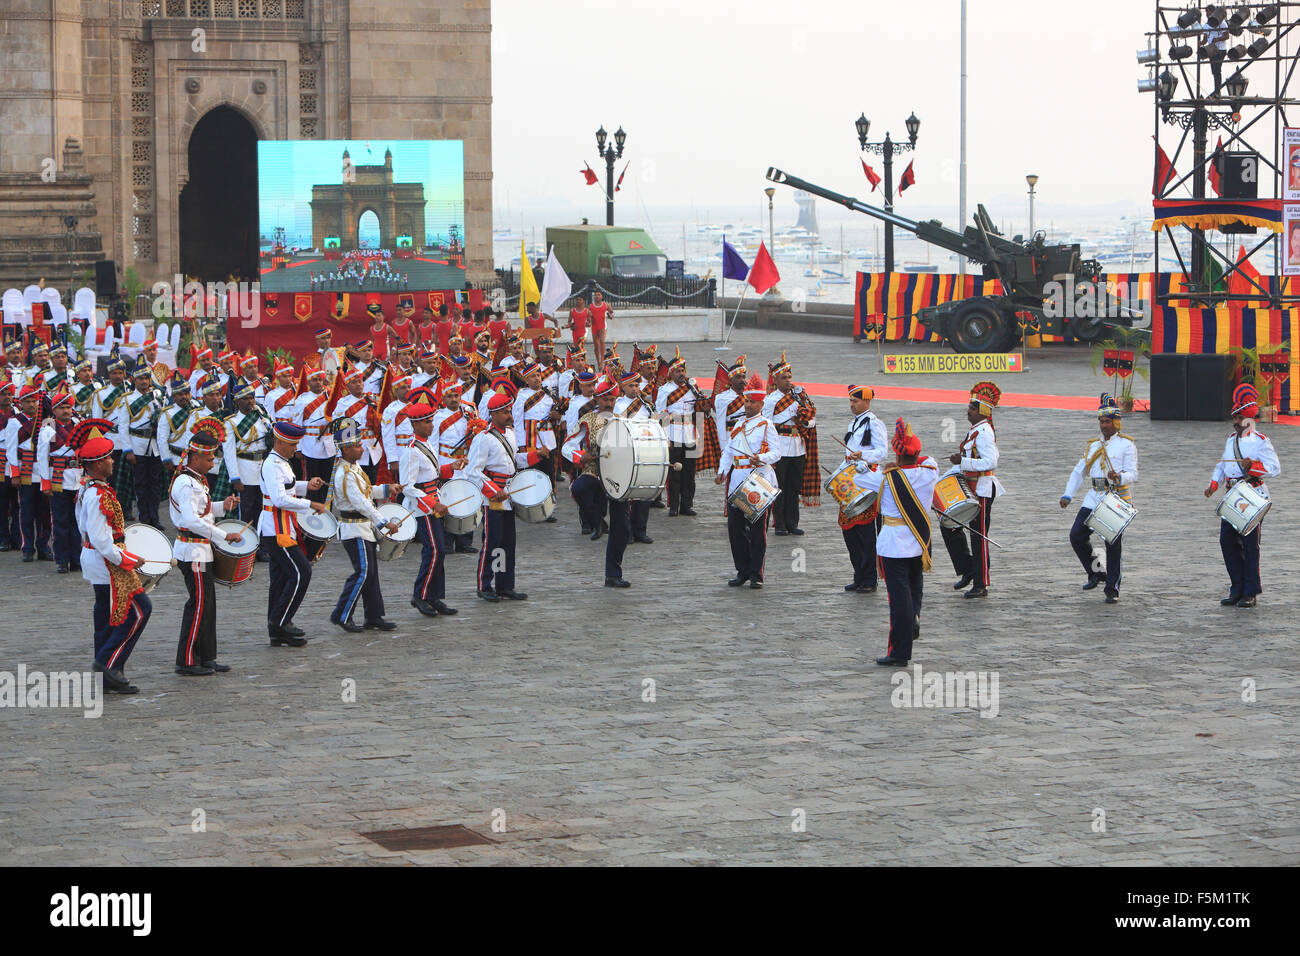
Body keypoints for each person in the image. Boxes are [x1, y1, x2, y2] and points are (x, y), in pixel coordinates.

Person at [70, 418, 152, 695]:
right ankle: (108, 662)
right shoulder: (97, 495)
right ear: (95, 464)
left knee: (105, 615)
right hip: (106, 561)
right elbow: (102, 540)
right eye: (107, 458)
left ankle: (108, 675)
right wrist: (128, 560)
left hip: (99, 559)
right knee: (139, 610)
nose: (112, 462)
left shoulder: (89, 489)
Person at [854, 420, 940, 666]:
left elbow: (860, 480)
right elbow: (928, 459)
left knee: (898, 599)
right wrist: (901, 462)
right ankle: (914, 616)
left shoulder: (885, 478)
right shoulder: (929, 473)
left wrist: (864, 466)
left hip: (893, 544)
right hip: (919, 542)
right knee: (915, 589)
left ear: (898, 454)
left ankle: (899, 652)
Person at [169, 417, 244, 676]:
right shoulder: (186, 483)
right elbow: (190, 520)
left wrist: (223, 506)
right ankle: (187, 660)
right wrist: (224, 535)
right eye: (210, 459)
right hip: (193, 551)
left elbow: (200, 510)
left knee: (207, 604)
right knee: (198, 604)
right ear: (196, 458)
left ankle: (206, 656)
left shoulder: (195, 479)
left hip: (200, 549)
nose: (213, 464)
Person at [1205, 383, 1281, 608]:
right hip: (1232, 496)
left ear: (1248, 418)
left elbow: (1274, 468)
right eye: (1235, 417)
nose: (1236, 422)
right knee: (1226, 541)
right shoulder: (1231, 439)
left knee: (1250, 545)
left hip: (1252, 496)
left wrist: (1254, 466)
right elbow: (1222, 465)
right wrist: (1213, 484)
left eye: (1239, 417)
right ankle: (1237, 588)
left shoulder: (1260, 441)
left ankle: (1251, 591)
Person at [1060, 393, 1139, 604]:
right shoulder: (1093, 446)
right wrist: (1068, 494)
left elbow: (1133, 473)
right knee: (1077, 535)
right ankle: (1096, 571)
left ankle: (1112, 587)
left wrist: (1120, 476)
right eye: (1101, 421)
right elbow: (1079, 471)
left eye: (1107, 421)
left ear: (1116, 422)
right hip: (1093, 496)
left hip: (1115, 497)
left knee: (1112, 543)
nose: (1103, 425)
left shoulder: (1126, 445)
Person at [464, 390, 540, 601]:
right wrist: (491, 491)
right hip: (493, 498)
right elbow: (473, 471)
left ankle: (505, 585)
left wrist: (536, 455)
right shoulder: (483, 438)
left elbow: (515, 461)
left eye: (509, 410)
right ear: (494, 414)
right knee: (492, 541)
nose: (509, 414)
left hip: (508, 494)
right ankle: (484, 584)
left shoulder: (511, 434)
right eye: (505, 412)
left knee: (508, 542)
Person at [329, 416, 402, 632]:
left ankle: (373, 615)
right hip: (354, 529)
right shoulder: (346, 473)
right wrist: (383, 522)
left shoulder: (353, 468)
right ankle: (342, 614)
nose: (362, 449)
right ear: (347, 449)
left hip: (362, 528)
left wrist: (388, 489)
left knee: (370, 573)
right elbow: (361, 503)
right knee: (362, 572)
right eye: (358, 445)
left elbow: (367, 492)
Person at [259, 422, 328, 645]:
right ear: (279, 442)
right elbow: (279, 498)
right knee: (301, 572)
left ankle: (277, 631)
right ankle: (281, 621)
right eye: (291, 444)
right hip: (275, 529)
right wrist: (311, 504)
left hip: (283, 526)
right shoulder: (272, 464)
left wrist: (307, 485)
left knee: (280, 578)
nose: (294, 449)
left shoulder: (282, 462)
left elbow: (287, 487)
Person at [563, 375, 633, 587]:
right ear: (598, 399)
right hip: (594, 469)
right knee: (579, 488)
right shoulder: (587, 420)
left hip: (620, 474)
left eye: (612, 399)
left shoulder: (624, 421)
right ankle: (598, 519)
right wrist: (579, 457)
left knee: (622, 529)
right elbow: (567, 446)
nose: (609, 404)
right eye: (605, 400)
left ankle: (613, 574)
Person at [715, 374, 781, 589]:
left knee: (757, 530)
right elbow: (727, 451)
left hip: (758, 480)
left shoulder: (766, 425)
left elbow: (777, 453)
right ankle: (742, 570)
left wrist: (760, 458)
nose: (748, 405)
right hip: (737, 478)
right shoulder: (737, 425)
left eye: (752, 402)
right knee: (734, 529)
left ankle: (756, 573)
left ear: (761, 403)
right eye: (746, 401)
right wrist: (722, 470)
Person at [941, 381, 1004, 599]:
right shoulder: (975, 431)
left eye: (972, 408)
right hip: (970, 486)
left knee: (979, 536)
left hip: (983, 488)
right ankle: (968, 569)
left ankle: (981, 583)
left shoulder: (985, 432)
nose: (968, 410)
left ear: (982, 411)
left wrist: (964, 461)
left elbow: (991, 461)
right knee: (950, 527)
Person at [399, 402, 461, 617]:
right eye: (426, 422)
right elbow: (407, 486)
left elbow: (432, 473)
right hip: (422, 507)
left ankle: (434, 596)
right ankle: (420, 595)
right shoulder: (411, 451)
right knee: (434, 550)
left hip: (433, 502)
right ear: (415, 424)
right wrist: (432, 503)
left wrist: (450, 467)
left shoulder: (425, 444)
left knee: (439, 551)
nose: (430, 425)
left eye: (431, 421)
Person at [839, 384, 889, 593]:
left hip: (867, 481)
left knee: (866, 534)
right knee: (850, 532)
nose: (852, 404)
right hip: (851, 481)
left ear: (867, 401)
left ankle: (869, 578)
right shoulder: (854, 423)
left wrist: (863, 456)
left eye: (855, 401)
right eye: (850, 401)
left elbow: (882, 452)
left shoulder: (875, 424)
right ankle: (859, 574)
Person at [763, 353, 817, 536]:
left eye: (789, 377)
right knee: (779, 488)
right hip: (780, 448)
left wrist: (803, 422)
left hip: (798, 448)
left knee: (794, 487)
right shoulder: (771, 400)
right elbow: (766, 426)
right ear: (775, 380)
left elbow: (813, 421)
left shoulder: (800, 395)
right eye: (783, 378)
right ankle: (779, 524)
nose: (787, 381)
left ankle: (792, 523)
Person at [225, 380, 272, 561]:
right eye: (245, 398)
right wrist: (235, 477)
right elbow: (229, 452)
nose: (250, 401)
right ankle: (246, 546)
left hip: (261, 469)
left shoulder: (261, 417)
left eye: (252, 397)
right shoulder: (231, 423)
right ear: (237, 401)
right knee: (246, 510)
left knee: (261, 511)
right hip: (244, 469)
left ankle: (261, 546)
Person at [37, 390, 80, 573]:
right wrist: (45, 482)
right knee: (60, 522)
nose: (65, 410)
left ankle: (77, 559)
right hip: (57, 479)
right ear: (54, 410)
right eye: (61, 407)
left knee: (77, 522)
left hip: (77, 478)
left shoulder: (78, 424)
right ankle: (62, 559)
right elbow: (42, 456)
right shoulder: (48, 427)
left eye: (68, 407)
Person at [8, 385, 53, 561]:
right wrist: (14, 474)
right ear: (21, 403)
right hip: (25, 470)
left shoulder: (47, 421)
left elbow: (51, 447)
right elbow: (11, 450)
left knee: (45, 511)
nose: (31, 404)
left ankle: (43, 546)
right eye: (27, 401)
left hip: (43, 472)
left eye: (34, 401)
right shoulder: (15, 422)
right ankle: (27, 547)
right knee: (26, 510)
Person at [613, 369, 656, 544]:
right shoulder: (618, 405)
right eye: (630, 385)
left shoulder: (646, 405)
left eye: (637, 385)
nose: (634, 388)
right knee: (627, 495)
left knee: (643, 492)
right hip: (626, 452)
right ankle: (627, 531)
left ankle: (640, 530)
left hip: (644, 450)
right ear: (623, 387)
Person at [121, 361, 165, 530]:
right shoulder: (128, 399)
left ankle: (155, 517)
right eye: (140, 378)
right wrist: (128, 450)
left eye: (146, 378)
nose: (144, 382)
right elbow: (124, 428)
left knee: (154, 485)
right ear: (134, 380)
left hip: (154, 446)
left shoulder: (157, 396)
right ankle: (144, 517)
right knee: (140, 485)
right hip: (137, 445)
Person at [655, 349, 699, 517]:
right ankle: (673, 505)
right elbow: (661, 414)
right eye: (677, 371)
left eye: (683, 370)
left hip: (689, 434)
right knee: (674, 473)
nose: (681, 374)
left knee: (689, 472)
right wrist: (666, 438)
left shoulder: (692, 388)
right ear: (671, 373)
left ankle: (686, 505)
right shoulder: (665, 390)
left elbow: (698, 410)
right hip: (673, 433)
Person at [93, 354, 134, 521]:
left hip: (128, 440)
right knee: (112, 476)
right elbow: (97, 420)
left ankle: (127, 507)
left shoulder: (131, 391)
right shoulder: (101, 394)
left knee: (127, 477)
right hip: (110, 438)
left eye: (120, 372)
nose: (118, 376)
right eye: (114, 373)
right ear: (109, 375)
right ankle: (110, 506)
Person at [293, 367, 335, 502]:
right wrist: (298, 448)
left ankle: (323, 506)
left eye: (320, 380)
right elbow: (297, 424)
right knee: (311, 479)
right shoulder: (302, 400)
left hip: (328, 442)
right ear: (309, 383)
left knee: (326, 480)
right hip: (310, 444)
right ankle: (311, 506)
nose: (318, 383)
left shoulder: (330, 396)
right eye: (315, 380)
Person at [0, 381, 20, 550]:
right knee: (1, 502)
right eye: (3, 394)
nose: (6, 397)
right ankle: (3, 538)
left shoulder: (18, 415)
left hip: (17, 463)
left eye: (9, 394)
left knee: (17, 503)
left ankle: (16, 537)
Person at [589, 291, 613, 365]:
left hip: (602, 325)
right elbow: (588, 316)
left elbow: (611, 312)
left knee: (602, 341)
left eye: (598, 295)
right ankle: (598, 361)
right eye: (595, 295)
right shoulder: (590, 306)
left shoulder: (606, 305)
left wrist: (610, 315)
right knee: (596, 345)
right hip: (594, 326)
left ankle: (602, 360)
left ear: (601, 296)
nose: (597, 296)